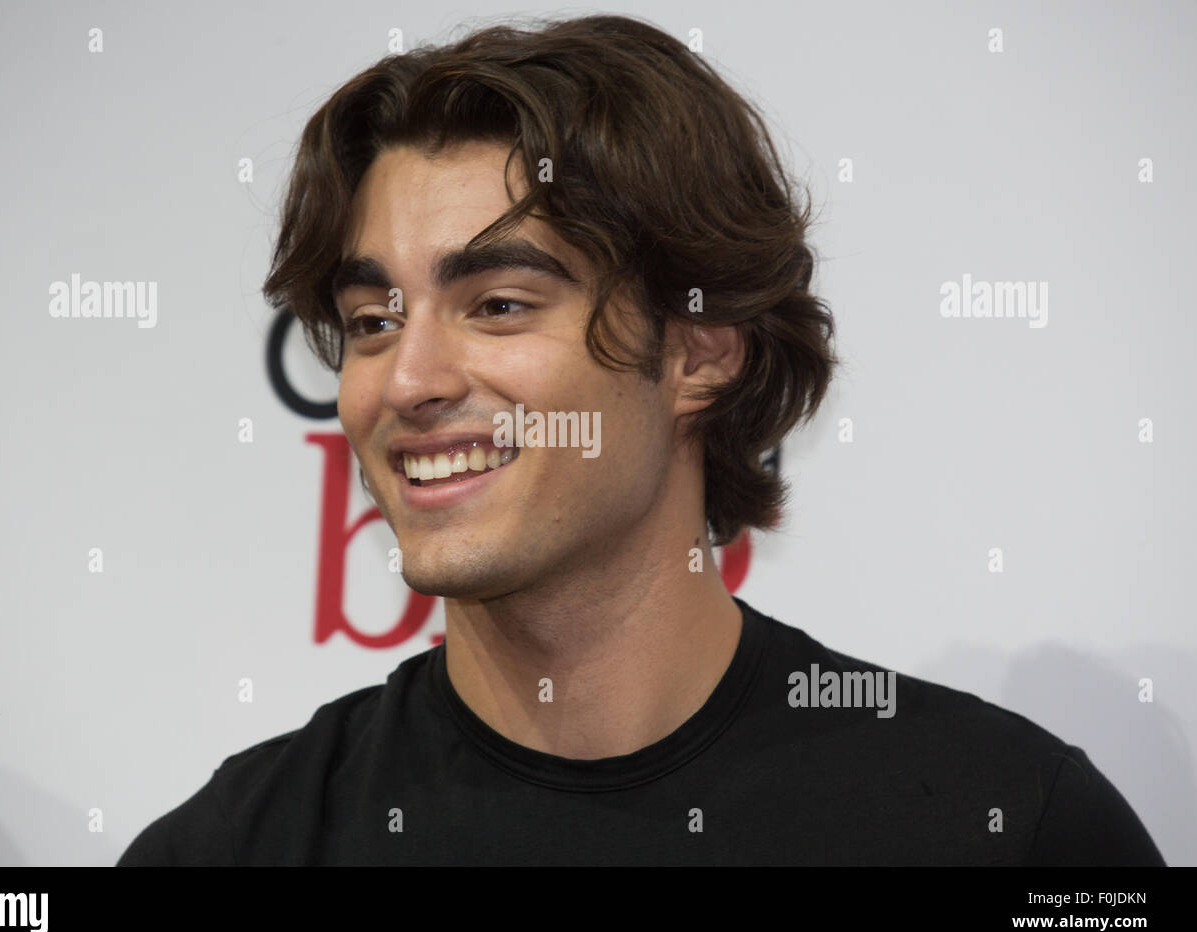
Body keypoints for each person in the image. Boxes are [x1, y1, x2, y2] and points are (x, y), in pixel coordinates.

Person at [118, 13, 1163, 865]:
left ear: (700, 353)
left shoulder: (1006, 823)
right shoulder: (231, 846)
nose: (410, 381)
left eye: (498, 304)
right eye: (371, 322)